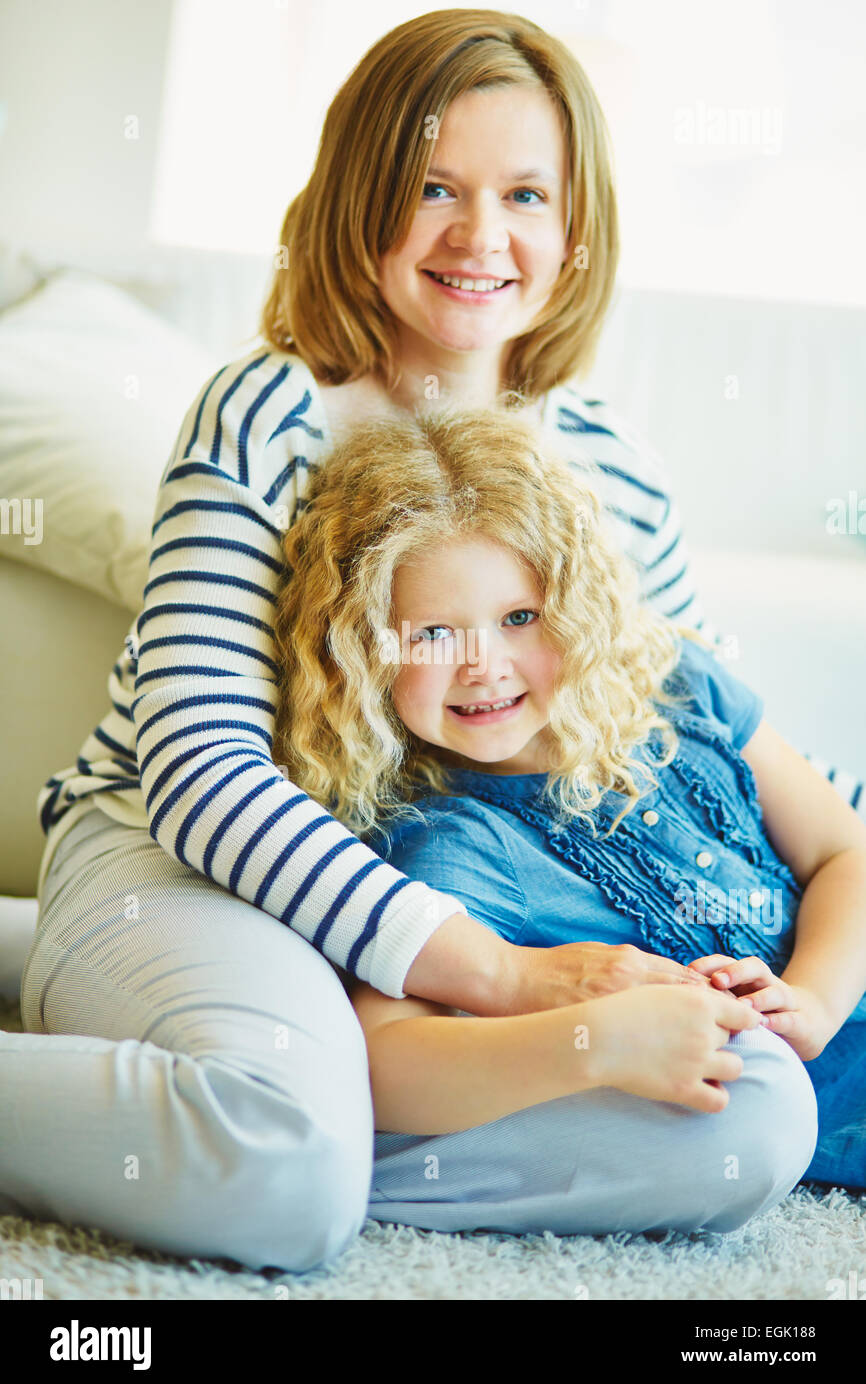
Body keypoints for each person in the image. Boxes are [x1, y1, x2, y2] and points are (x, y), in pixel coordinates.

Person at [2, 10, 861, 1271]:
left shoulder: (612, 465)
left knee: (738, 1123)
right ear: (358, 204)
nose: (479, 235)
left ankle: (247, 1071)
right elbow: (200, 778)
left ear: (573, 238)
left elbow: (704, 746)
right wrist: (509, 987)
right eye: (431, 187)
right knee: (283, 1167)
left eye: (524, 193)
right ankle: (267, 1112)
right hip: (197, 870)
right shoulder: (269, 409)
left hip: (437, 938)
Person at [268, 400, 865, 1233]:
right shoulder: (455, 840)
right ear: (367, 652)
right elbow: (389, 1060)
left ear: (576, 606)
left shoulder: (674, 680)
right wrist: (600, 1041)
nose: (485, 666)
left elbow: (845, 850)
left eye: (519, 618)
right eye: (434, 633)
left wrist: (816, 996)